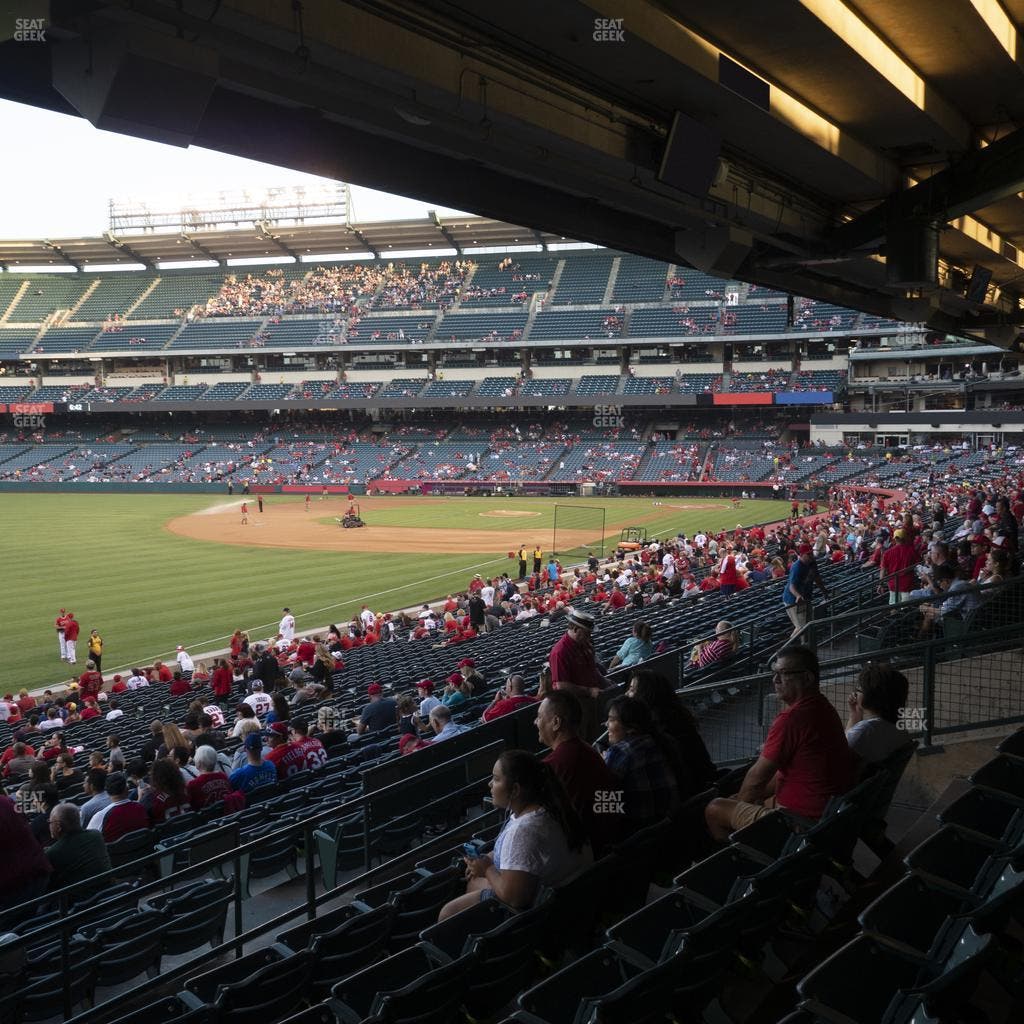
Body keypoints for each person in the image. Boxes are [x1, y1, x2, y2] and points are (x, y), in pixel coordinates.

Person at [704, 646, 854, 840]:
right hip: (825, 814)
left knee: (714, 808)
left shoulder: (791, 719)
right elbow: (778, 775)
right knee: (738, 800)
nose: (775, 680)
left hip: (802, 823)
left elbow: (757, 777)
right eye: (774, 673)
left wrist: (740, 803)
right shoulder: (822, 706)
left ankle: (740, 861)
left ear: (807, 678)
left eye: (783, 674)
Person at [437, 750, 587, 920]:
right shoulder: (550, 809)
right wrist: (487, 859)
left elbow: (515, 898)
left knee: (447, 913)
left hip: (531, 915)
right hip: (559, 899)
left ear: (515, 789)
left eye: (496, 779)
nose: (490, 784)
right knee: (473, 882)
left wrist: (486, 868)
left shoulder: (523, 831)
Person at [537, 690, 624, 855]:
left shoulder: (551, 766)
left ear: (556, 723)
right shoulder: (591, 753)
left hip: (585, 855)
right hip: (610, 847)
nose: (536, 722)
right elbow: (612, 810)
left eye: (539, 717)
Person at [602, 696, 690, 826]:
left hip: (638, 832)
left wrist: (602, 765)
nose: (606, 725)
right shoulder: (663, 741)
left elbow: (605, 805)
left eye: (611, 719)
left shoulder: (620, 752)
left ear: (631, 728)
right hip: (670, 826)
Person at [628, 670, 716, 787]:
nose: (627, 694)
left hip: (690, 791)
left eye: (632, 690)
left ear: (646, 694)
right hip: (704, 782)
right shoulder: (678, 716)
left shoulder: (655, 728)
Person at [548, 608, 608, 742]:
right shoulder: (560, 652)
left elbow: (592, 670)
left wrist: (605, 682)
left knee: (595, 739)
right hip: (576, 708)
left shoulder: (585, 644)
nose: (589, 637)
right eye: (587, 634)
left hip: (592, 703)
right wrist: (589, 691)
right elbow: (561, 686)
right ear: (575, 629)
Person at [846, 664, 912, 773]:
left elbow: (838, 756)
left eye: (858, 689)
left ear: (870, 696)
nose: (854, 693)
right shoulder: (900, 729)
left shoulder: (865, 731)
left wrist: (854, 716)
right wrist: (855, 714)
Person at [45, 802, 110, 896]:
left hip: (81, 904)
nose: (49, 826)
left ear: (58, 826)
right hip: (109, 893)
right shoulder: (96, 835)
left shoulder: (52, 853)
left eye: (50, 822)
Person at [782, 545, 830, 642]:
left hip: (806, 597)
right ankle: (801, 646)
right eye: (808, 554)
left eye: (811, 553)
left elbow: (817, 578)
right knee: (803, 627)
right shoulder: (797, 567)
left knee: (808, 624)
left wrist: (824, 590)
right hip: (793, 601)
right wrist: (798, 596)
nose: (811, 555)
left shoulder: (812, 563)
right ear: (801, 555)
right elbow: (792, 586)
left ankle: (791, 646)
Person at [88, 772, 148, 842]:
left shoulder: (100, 816)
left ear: (107, 792)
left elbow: (89, 841)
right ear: (127, 789)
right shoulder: (141, 807)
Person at [143, 757, 190, 823]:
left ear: (156, 777)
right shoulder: (188, 790)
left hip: (168, 832)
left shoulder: (151, 798)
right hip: (191, 829)